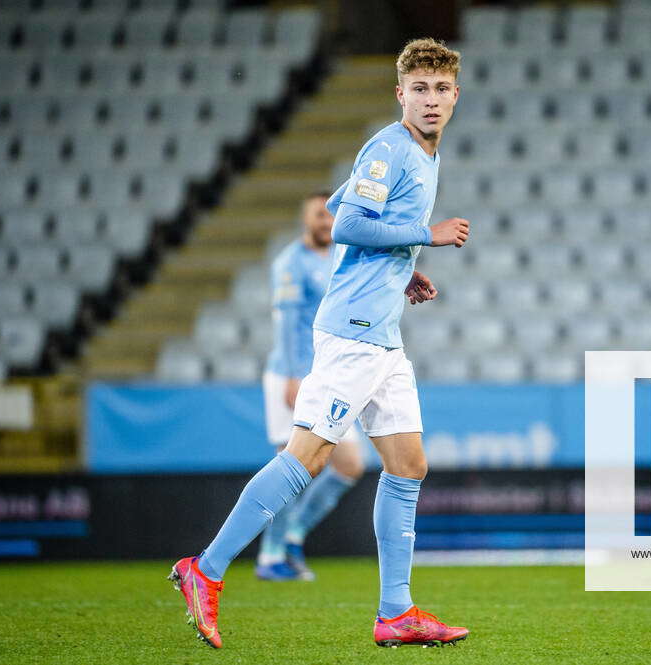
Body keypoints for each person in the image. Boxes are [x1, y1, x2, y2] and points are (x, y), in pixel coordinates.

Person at [169, 37, 471, 649]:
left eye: (441, 89)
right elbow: (348, 224)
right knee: (305, 459)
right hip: (354, 333)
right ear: (400, 95)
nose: (431, 100)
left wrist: (403, 264)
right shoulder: (391, 148)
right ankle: (204, 569)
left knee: (408, 465)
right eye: (420, 89)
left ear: (455, 95)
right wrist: (424, 236)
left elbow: (344, 204)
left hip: (383, 336)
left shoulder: (421, 153)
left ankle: (396, 613)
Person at [256, 189, 364, 582]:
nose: (325, 222)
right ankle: (270, 557)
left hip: (331, 374)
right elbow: (285, 323)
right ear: (306, 220)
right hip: (295, 374)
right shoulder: (290, 263)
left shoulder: (342, 255)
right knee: (291, 466)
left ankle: (293, 536)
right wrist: (291, 374)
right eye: (318, 215)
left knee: (350, 465)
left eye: (329, 215)